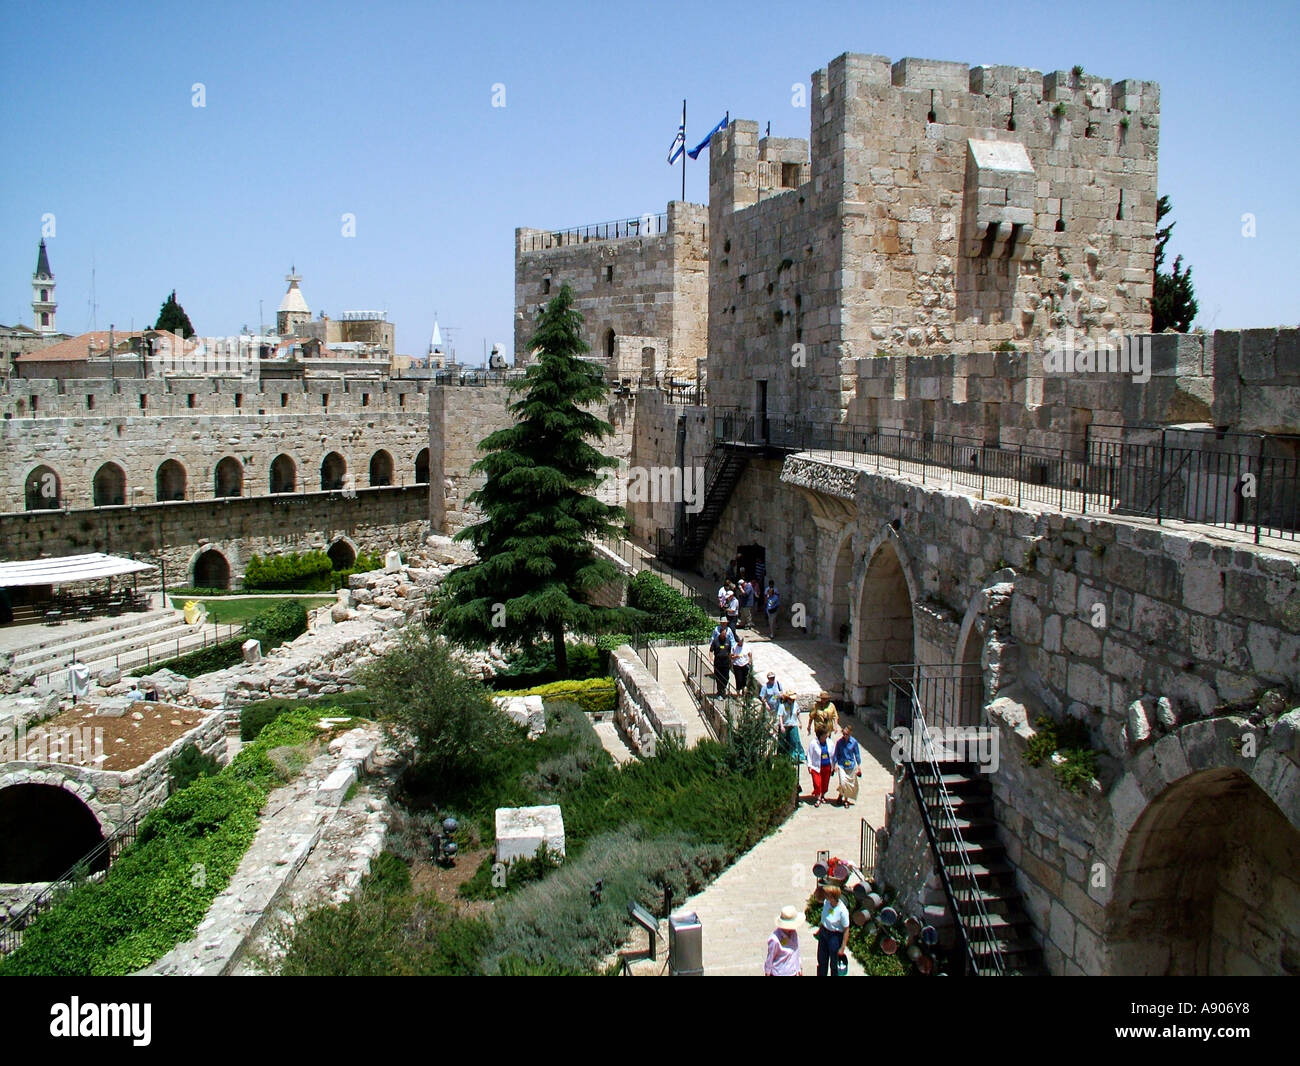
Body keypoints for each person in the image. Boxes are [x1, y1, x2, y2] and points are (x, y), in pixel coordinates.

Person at [815, 884, 850, 977]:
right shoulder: (826, 902)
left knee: (834, 964)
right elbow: (825, 917)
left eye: (826, 894)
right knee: (822, 960)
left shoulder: (842, 910)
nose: (824, 896)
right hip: (824, 933)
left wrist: (842, 947)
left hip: (834, 937)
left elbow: (846, 929)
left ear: (832, 896)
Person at [764, 905, 803, 976]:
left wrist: (799, 968)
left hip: (792, 972)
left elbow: (796, 951)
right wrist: (767, 971)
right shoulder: (774, 939)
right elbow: (770, 957)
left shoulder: (794, 933)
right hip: (779, 972)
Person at [833, 723, 863, 808]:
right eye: (844, 734)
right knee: (843, 783)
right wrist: (835, 764)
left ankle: (845, 799)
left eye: (847, 734)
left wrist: (859, 765)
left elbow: (857, 754)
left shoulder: (854, 742)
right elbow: (836, 754)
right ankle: (841, 795)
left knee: (848, 784)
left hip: (851, 765)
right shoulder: (839, 742)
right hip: (842, 765)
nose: (845, 735)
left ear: (850, 734)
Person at [709, 614, 735, 699]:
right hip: (718, 661)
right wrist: (711, 657)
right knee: (718, 676)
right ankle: (720, 692)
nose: (724, 624)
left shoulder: (729, 634)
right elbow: (712, 647)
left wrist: (732, 657)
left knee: (726, 677)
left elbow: (732, 643)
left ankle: (723, 689)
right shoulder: (716, 634)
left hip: (726, 661)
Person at [807, 728, 834, 807]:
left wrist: (834, 765)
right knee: (817, 783)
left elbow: (833, 754)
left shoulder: (829, 742)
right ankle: (818, 798)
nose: (826, 737)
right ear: (820, 736)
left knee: (825, 784)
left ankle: (822, 796)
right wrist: (809, 765)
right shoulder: (813, 743)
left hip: (827, 766)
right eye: (824, 736)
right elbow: (809, 754)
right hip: (816, 767)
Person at [777, 691, 805, 763]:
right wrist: (782, 726)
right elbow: (780, 716)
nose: (792, 701)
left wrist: (800, 722)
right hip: (785, 725)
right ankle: (782, 756)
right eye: (790, 699)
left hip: (793, 725)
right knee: (783, 741)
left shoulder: (795, 705)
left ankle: (795, 756)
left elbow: (797, 713)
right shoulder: (782, 705)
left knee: (795, 740)